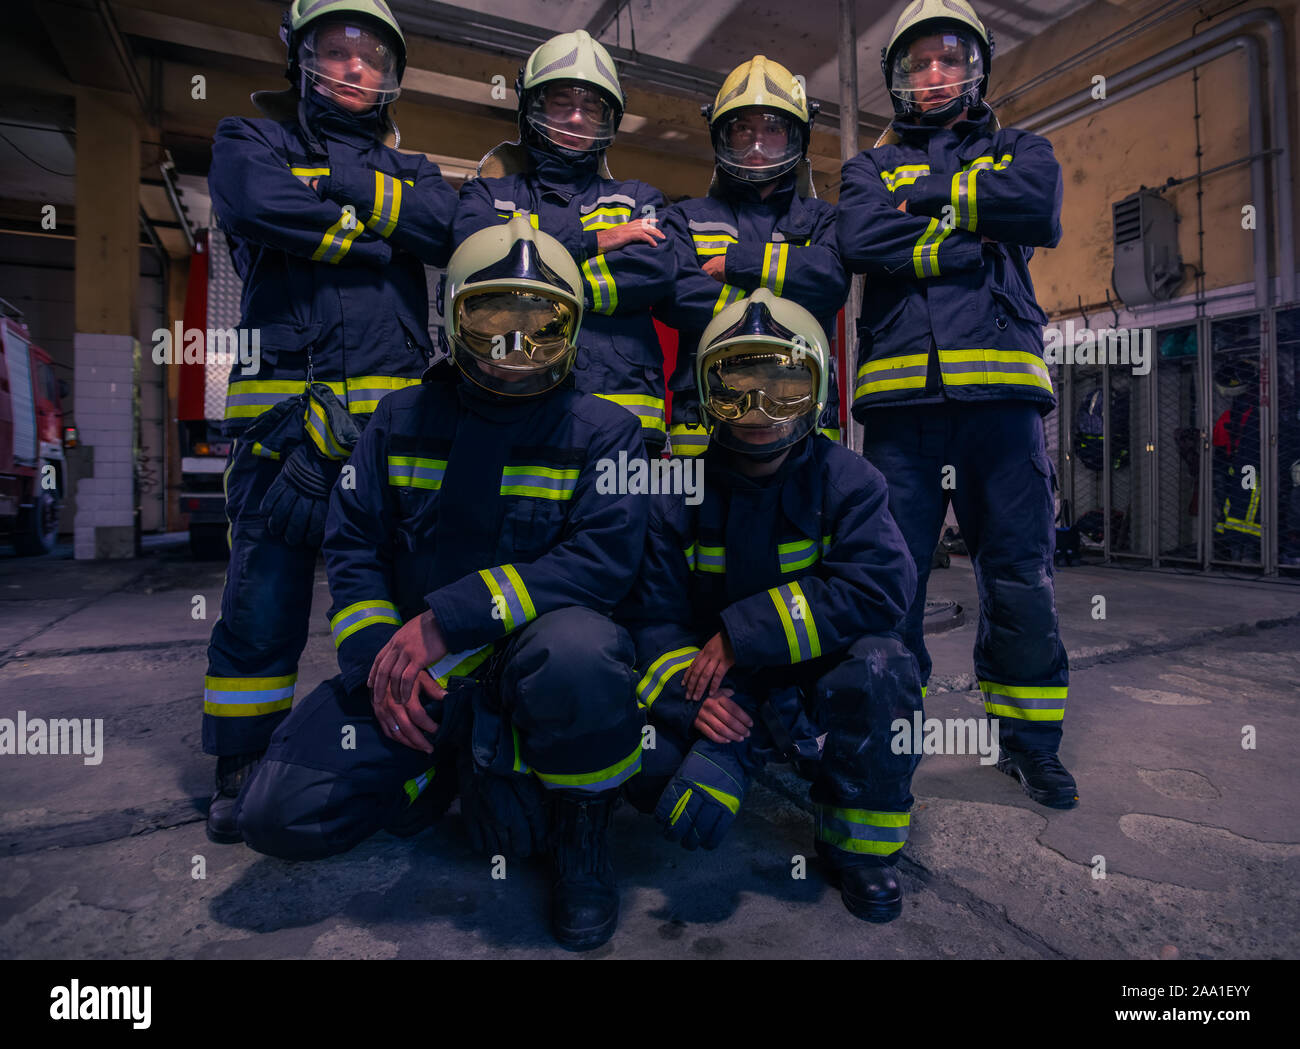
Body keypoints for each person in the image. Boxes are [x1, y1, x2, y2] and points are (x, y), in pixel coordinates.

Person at [235, 219, 649, 952]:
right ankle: (437, 773)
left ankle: (583, 836)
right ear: (452, 316)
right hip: (418, 674)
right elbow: (353, 545)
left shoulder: (604, 431)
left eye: (541, 324)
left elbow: (605, 559)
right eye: (492, 319)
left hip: (530, 673)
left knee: (584, 652)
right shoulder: (398, 418)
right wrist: (375, 666)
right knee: (276, 813)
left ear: (576, 328)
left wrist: (445, 620)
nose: (516, 345)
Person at [201, 0, 460, 844]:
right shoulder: (250, 140)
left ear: (392, 74)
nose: (355, 70)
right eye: (337, 52)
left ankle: (405, 745)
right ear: (298, 57)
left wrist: (344, 191)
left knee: (401, 602)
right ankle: (241, 760)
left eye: (371, 58)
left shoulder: (418, 167)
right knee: (262, 602)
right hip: (283, 432)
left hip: (391, 440)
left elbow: (446, 226)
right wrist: (376, 232)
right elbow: (254, 202)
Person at [837, 0, 1077, 808]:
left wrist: (932, 197)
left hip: (1003, 403)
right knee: (891, 585)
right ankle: (888, 750)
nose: (934, 75)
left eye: (949, 59)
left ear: (976, 67)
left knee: (1018, 577)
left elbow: (1038, 207)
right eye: (919, 64)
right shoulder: (866, 169)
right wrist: (972, 220)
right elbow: (861, 242)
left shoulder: (1021, 147)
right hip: (901, 411)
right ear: (898, 79)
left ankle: (1028, 742)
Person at [620, 289, 922, 922]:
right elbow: (651, 619)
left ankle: (860, 846)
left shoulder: (850, 479)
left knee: (882, 665)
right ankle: (736, 747)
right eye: (736, 388)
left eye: (783, 386)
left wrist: (741, 636)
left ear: (817, 390)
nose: (758, 409)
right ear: (706, 396)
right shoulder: (674, 493)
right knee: (649, 770)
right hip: (715, 684)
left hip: (814, 673)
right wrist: (692, 701)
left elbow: (882, 588)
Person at [452, 30, 676, 452]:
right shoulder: (488, 194)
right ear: (532, 109)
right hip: (508, 399)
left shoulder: (638, 198)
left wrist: (526, 296)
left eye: (591, 108)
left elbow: (655, 271)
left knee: (619, 518)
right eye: (561, 103)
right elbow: (474, 256)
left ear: (608, 122)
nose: (576, 118)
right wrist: (599, 241)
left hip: (624, 410)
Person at [656, 56, 848, 458]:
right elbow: (674, 296)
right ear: (721, 136)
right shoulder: (684, 218)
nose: (757, 145)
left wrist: (734, 265)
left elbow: (828, 283)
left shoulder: (822, 218)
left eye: (773, 130)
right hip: (705, 410)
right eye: (743, 129)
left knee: (804, 517)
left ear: (798, 136)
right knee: (698, 519)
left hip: (804, 407)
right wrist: (782, 296)